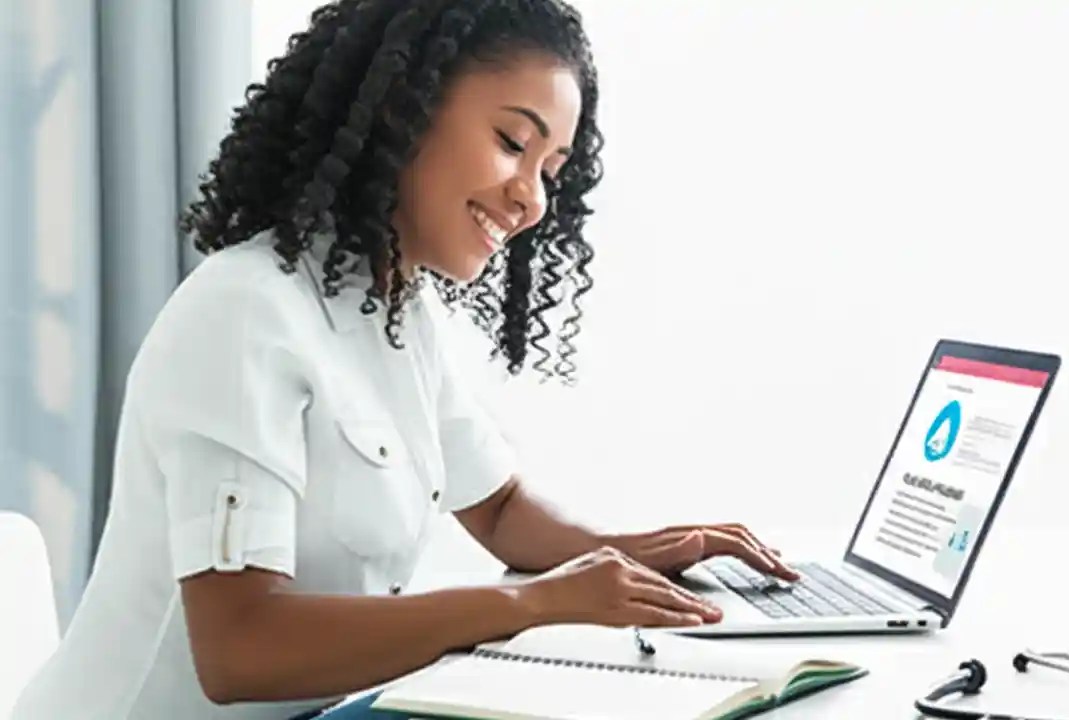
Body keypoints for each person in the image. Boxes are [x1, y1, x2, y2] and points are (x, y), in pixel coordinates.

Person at [12, 1, 797, 718]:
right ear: (402, 107)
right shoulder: (246, 313)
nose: (532, 199)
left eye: (550, 172)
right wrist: (532, 606)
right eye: (513, 143)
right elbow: (239, 647)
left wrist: (638, 555)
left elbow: (499, 508)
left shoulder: (395, 312)